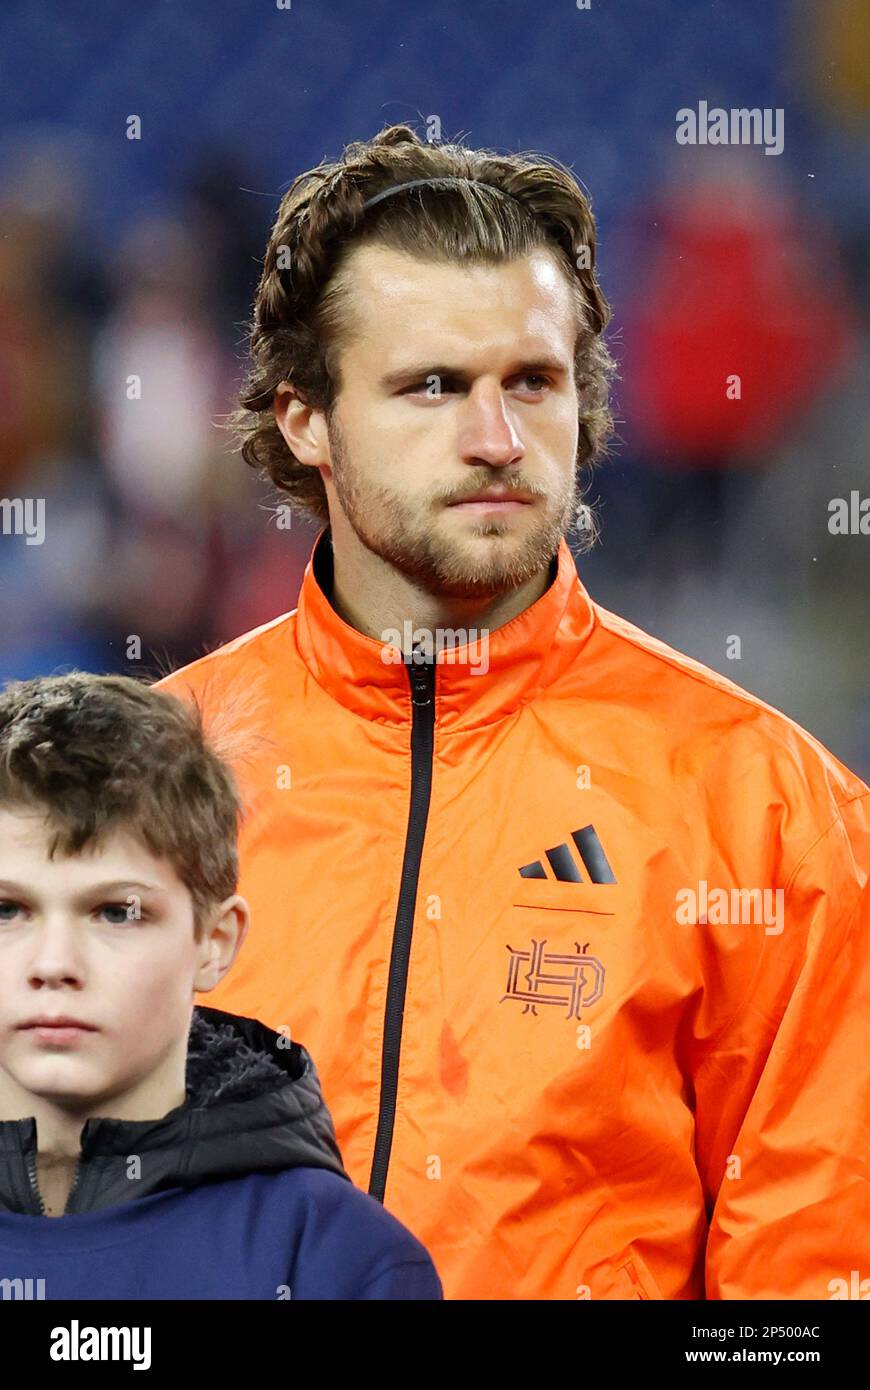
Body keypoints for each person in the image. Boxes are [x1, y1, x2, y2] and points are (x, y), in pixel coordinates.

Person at [157, 124, 869, 1301]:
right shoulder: (145, 775)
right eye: (433, 385)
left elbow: (814, 1282)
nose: (496, 441)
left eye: (532, 382)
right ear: (304, 419)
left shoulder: (769, 809)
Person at [0, 673, 442, 1300]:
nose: (54, 963)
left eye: (116, 912)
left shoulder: (339, 1260)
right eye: (5, 911)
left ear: (214, 941)